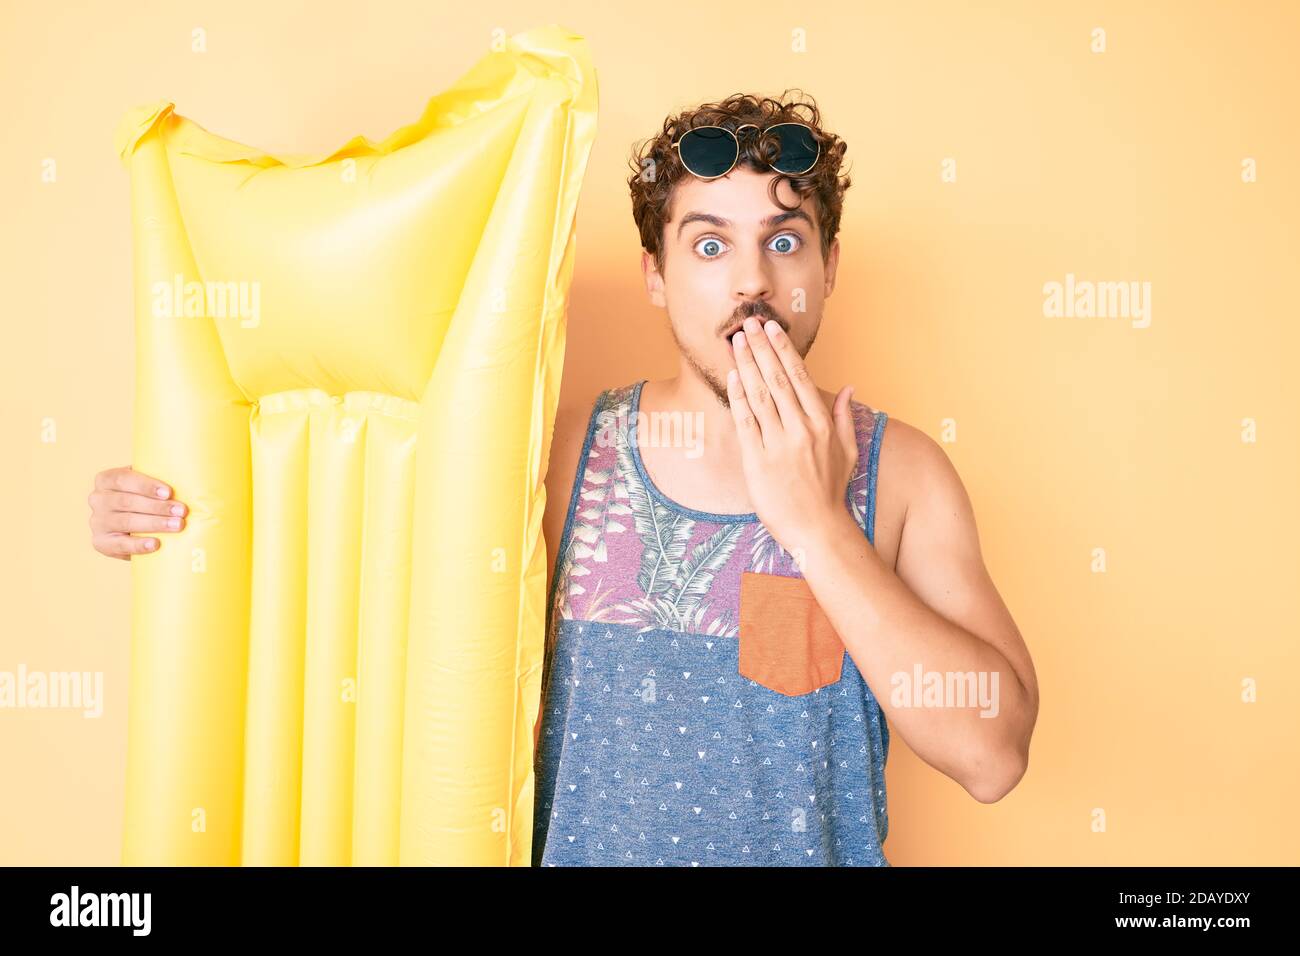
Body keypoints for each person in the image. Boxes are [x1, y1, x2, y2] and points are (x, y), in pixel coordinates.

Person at [88, 91, 1039, 867]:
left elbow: (992, 757)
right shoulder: (557, 451)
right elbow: (339, 557)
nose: (752, 279)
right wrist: (173, 510)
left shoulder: (900, 473)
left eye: (784, 240)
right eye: (709, 244)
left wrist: (820, 530)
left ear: (829, 265)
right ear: (656, 277)